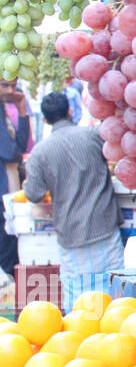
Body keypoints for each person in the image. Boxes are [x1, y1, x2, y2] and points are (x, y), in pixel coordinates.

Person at [22, 92, 123, 311]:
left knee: (80, 304)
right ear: (70, 111)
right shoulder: (93, 135)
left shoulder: (39, 153)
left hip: (71, 235)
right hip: (103, 226)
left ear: (46, 119)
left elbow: (33, 195)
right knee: (115, 297)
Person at [0, 79, 31, 280]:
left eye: (14, 85)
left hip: (7, 181)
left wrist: (22, 111)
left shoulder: (4, 110)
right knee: (6, 235)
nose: (11, 90)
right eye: (5, 85)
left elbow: (20, 145)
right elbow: (12, 152)